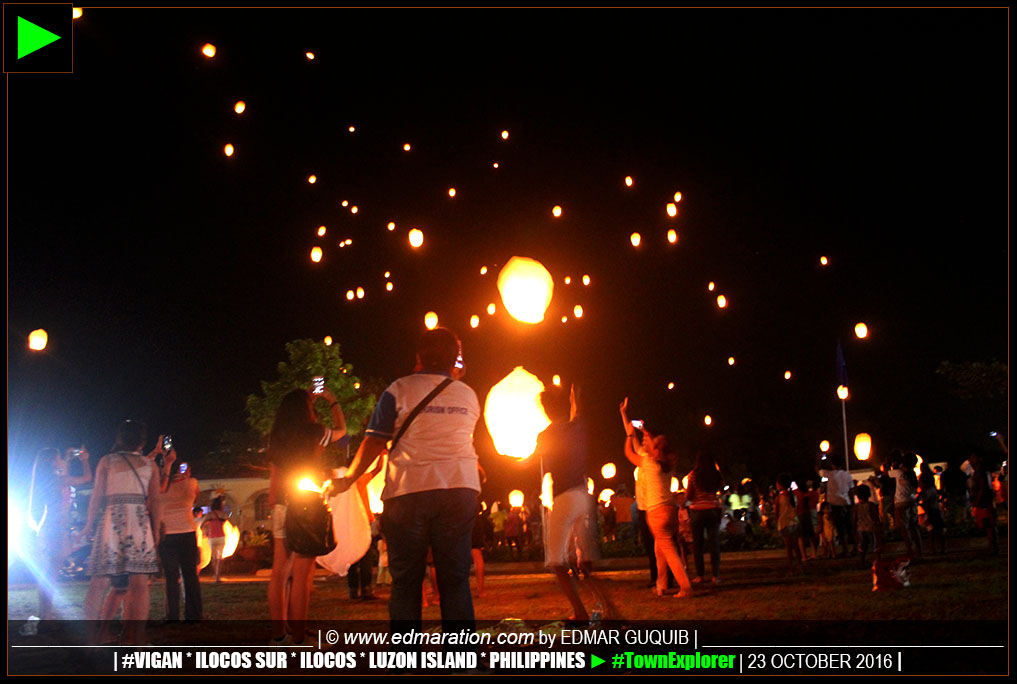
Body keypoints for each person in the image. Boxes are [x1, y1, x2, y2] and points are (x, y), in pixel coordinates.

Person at [335, 327, 480, 639]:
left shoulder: (399, 390)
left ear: (418, 355)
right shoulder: (468, 394)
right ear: (455, 357)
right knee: (455, 580)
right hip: (460, 489)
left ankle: (405, 663)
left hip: (409, 492)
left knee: (406, 583)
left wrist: (349, 478)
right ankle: (462, 661)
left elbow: (374, 443)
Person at [267, 385, 348, 646]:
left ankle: (279, 636)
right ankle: (299, 640)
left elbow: (274, 474)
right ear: (307, 410)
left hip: (282, 502)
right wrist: (332, 401)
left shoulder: (276, 436)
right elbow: (343, 433)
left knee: (279, 573)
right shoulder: (316, 432)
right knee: (303, 575)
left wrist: (274, 502)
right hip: (306, 502)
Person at [537, 384, 614, 623]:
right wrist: (574, 400)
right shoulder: (578, 427)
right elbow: (577, 414)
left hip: (565, 497)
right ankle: (607, 607)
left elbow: (548, 467)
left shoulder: (545, 436)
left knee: (556, 561)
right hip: (583, 496)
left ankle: (580, 611)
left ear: (546, 410)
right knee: (583, 560)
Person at [82, 420, 162, 646]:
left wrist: (89, 525)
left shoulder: (107, 461)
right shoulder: (150, 465)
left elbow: (96, 496)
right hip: (138, 522)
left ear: (120, 438)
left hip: (111, 520)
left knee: (99, 582)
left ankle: (89, 641)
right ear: (142, 440)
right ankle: (137, 640)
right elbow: (155, 500)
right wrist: (155, 528)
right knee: (139, 584)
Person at [620, 397, 692, 598]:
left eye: (652, 444)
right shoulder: (667, 464)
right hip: (671, 510)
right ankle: (662, 585)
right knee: (660, 548)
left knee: (668, 551)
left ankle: (685, 586)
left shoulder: (648, 463)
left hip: (657, 512)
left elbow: (628, 452)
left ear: (655, 450)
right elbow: (650, 443)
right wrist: (643, 430)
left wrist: (629, 435)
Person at [25, 446, 92, 627]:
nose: (62, 459)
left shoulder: (52, 479)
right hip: (55, 528)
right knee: (51, 574)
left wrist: (69, 461)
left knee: (51, 572)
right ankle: (45, 614)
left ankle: (45, 613)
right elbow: (86, 478)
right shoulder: (58, 480)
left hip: (53, 527)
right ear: (52, 462)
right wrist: (85, 460)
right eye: (59, 458)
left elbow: (65, 478)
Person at [156, 453, 202, 622]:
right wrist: (184, 477)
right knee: (190, 576)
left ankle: (172, 615)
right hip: (187, 533)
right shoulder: (192, 483)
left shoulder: (158, 487)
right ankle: (194, 615)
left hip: (167, 535)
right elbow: (196, 497)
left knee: (171, 577)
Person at [686, 450, 725, 583]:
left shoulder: (693, 475)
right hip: (713, 510)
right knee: (714, 544)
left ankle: (700, 575)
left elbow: (689, 495)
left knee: (698, 545)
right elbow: (721, 489)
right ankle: (716, 575)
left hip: (697, 511)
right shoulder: (716, 475)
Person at [817, 455, 854, 557]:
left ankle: (844, 549)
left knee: (839, 528)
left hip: (834, 504)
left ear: (832, 465)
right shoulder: (847, 475)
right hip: (846, 503)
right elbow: (851, 491)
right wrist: (852, 504)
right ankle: (853, 549)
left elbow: (818, 469)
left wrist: (822, 457)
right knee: (849, 528)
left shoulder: (828, 474)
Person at [889, 451, 923, 560]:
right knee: (914, 527)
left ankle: (910, 550)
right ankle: (919, 550)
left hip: (900, 502)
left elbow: (886, 473)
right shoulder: (912, 474)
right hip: (912, 501)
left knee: (904, 528)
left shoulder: (898, 472)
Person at [775, 474, 803, 574]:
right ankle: (800, 566)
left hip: (784, 524)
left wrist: (776, 522)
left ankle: (791, 568)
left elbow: (777, 513)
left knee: (789, 548)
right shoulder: (793, 496)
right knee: (796, 546)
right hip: (794, 523)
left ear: (780, 485)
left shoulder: (779, 498)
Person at [201, 496, 229, 583]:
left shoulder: (209, 515)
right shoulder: (223, 514)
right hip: (221, 536)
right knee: (220, 557)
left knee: (214, 557)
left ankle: (215, 574)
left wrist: (205, 531)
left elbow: (202, 525)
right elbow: (226, 523)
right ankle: (218, 575)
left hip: (211, 537)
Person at [853, 484, 882, 566]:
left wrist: (854, 529)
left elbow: (854, 518)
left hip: (861, 528)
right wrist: (879, 525)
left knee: (862, 545)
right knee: (875, 545)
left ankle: (862, 562)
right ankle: (877, 561)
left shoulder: (857, 507)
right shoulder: (871, 505)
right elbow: (875, 517)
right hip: (871, 527)